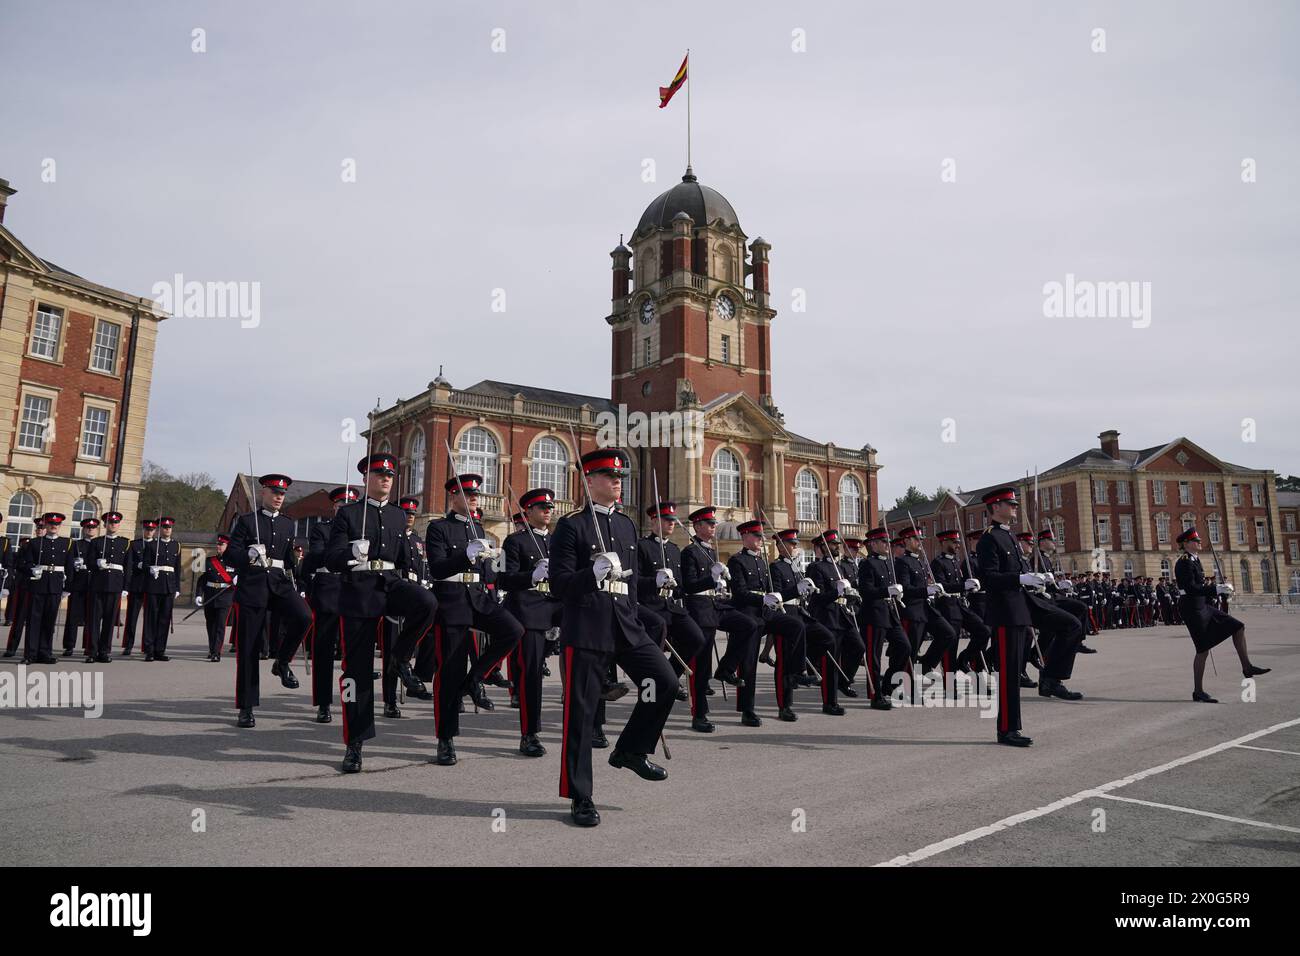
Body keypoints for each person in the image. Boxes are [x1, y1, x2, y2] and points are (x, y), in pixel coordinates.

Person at [550, 448, 678, 827]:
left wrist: (651, 586)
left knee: (664, 681)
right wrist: (594, 572)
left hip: (626, 623)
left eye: (620, 476)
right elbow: (559, 585)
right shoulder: (571, 526)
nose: (618, 481)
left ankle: (631, 751)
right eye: (609, 476)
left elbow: (630, 583)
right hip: (587, 627)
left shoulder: (627, 525)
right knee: (581, 716)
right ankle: (580, 795)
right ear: (589, 481)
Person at [326, 454, 438, 771]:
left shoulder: (398, 515)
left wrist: (417, 578)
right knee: (356, 673)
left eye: (389, 474)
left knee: (427, 603)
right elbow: (331, 557)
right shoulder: (348, 514)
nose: (385, 478)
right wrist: (350, 552)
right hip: (359, 591)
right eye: (379, 474)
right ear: (365, 478)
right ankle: (354, 743)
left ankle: (399, 658)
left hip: (389, 585)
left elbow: (404, 559)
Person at [424, 472, 524, 765]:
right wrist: (466, 556)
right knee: (449, 671)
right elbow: (438, 570)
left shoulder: (478, 529)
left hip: (479, 599)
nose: (473, 499)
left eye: (475, 495)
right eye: (467, 494)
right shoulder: (437, 528)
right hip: (451, 600)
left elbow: (487, 571)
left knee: (513, 630)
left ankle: (476, 677)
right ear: (453, 496)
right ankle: (446, 738)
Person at [225, 475, 314, 727]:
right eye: (274, 492)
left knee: (304, 616)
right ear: (263, 493)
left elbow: (287, 560)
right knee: (249, 648)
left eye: (282, 494)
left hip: (279, 583)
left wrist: (299, 582)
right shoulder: (246, 521)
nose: (278, 497)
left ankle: (282, 661)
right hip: (253, 584)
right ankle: (247, 706)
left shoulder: (288, 524)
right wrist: (248, 554)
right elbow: (230, 554)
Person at [499, 487, 565, 755]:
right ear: (528, 511)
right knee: (533, 674)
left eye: (550, 508)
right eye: (542, 508)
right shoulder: (514, 542)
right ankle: (529, 733)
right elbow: (503, 579)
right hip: (530, 610)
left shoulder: (559, 541)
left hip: (558, 608)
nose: (547, 511)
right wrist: (532, 576)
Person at [679, 506, 758, 725]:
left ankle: (725, 669)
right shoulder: (689, 552)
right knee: (701, 664)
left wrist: (722, 579)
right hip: (699, 607)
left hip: (717, 604)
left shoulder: (710, 550)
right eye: (710, 524)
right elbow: (689, 586)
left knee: (748, 625)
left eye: (714, 523)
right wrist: (711, 579)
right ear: (697, 526)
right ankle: (699, 714)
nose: (714, 526)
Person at [974, 488, 1041, 747]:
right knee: (1008, 674)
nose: (1014, 507)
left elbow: (1019, 570)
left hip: (1018, 610)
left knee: (1014, 672)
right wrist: (1019, 578)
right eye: (1010, 503)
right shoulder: (989, 539)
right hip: (1004, 612)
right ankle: (1006, 729)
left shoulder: (1009, 536)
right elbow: (989, 578)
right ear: (995, 506)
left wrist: (1034, 579)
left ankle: (1013, 726)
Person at [1174, 528, 1269, 702]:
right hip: (1192, 609)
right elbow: (1191, 589)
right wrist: (1216, 588)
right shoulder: (1183, 562)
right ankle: (1198, 691)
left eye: (1199, 541)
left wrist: (1220, 592)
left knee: (1238, 627)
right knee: (1203, 649)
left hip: (1204, 606)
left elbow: (1201, 587)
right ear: (1186, 544)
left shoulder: (1196, 560)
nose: (1199, 543)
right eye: (1195, 541)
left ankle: (1247, 667)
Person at [768, 528, 836, 715]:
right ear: (780, 547)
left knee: (826, 638)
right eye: (791, 543)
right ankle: (785, 706)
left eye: (795, 543)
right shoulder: (775, 567)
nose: (795, 546)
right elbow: (776, 596)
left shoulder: (796, 567)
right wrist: (797, 590)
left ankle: (803, 668)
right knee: (784, 660)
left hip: (800, 612)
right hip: (785, 613)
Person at [16, 513, 69, 664]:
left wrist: (68, 587)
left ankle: (45, 652)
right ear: (45, 525)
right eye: (51, 523)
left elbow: (70, 567)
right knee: (34, 620)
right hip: (38, 585)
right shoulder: (34, 543)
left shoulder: (67, 543)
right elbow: (23, 564)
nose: (54, 526)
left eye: (57, 524)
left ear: (60, 526)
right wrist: (31, 569)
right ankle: (30, 654)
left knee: (49, 621)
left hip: (55, 586)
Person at [85, 512, 130, 663]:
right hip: (98, 583)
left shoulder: (125, 543)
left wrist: (125, 587)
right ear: (105, 524)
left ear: (119, 524)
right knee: (95, 619)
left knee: (110, 620)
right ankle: (92, 651)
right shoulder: (96, 542)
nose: (113, 525)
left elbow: (128, 567)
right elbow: (89, 562)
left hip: (115, 584)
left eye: (115, 522)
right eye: (110, 522)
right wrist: (96, 563)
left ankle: (104, 651)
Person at [195, 533, 238, 662]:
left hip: (225, 596)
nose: (218, 546)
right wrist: (198, 594)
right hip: (210, 596)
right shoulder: (209, 561)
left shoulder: (235, 562)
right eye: (218, 544)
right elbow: (202, 580)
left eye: (221, 544)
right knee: (211, 625)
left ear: (228, 546)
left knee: (220, 626)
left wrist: (238, 579)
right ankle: (211, 649)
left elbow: (242, 577)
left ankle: (216, 652)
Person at [63, 517, 98, 658]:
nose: (90, 529)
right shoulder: (76, 544)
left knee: (92, 618)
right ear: (83, 529)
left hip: (94, 584)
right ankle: (69, 646)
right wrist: (68, 586)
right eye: (88, 527)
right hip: (78, 583)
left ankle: (89, 646)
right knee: (72, 617)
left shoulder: (99, 544)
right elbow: (69, 566)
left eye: (93, 527)